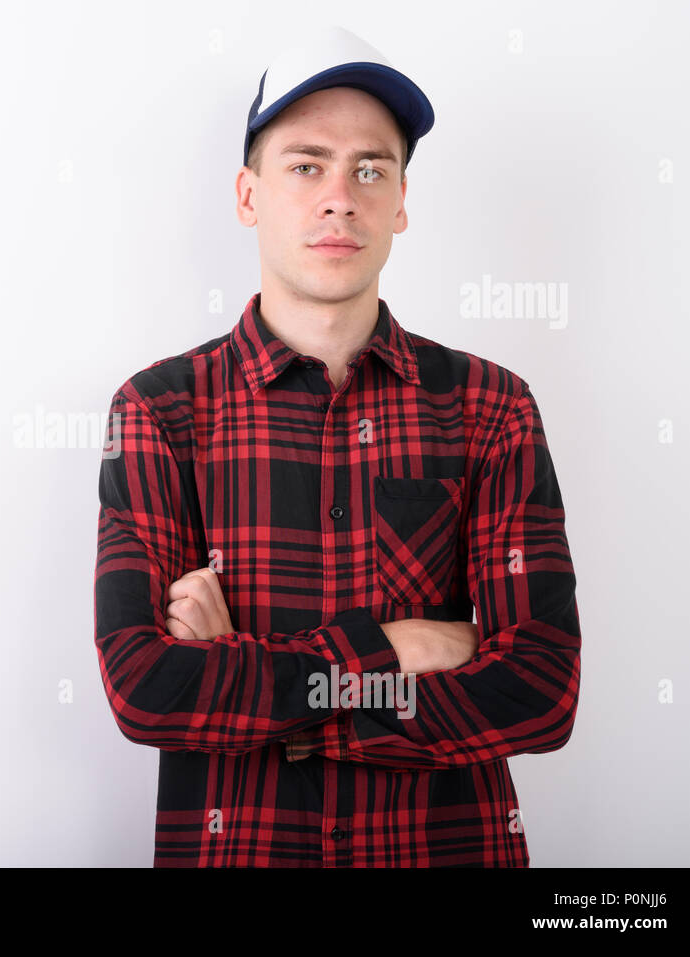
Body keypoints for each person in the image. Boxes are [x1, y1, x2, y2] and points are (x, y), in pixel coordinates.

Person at [92, 25, 581, 867]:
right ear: (248, 195)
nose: (339, 197)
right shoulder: (159, 412)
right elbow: (147, 690)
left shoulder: (492, 408)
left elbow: (540, 691)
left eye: (369, 169)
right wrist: (401, 646)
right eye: (307, 164)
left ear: (399, 203)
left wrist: (264, 684)